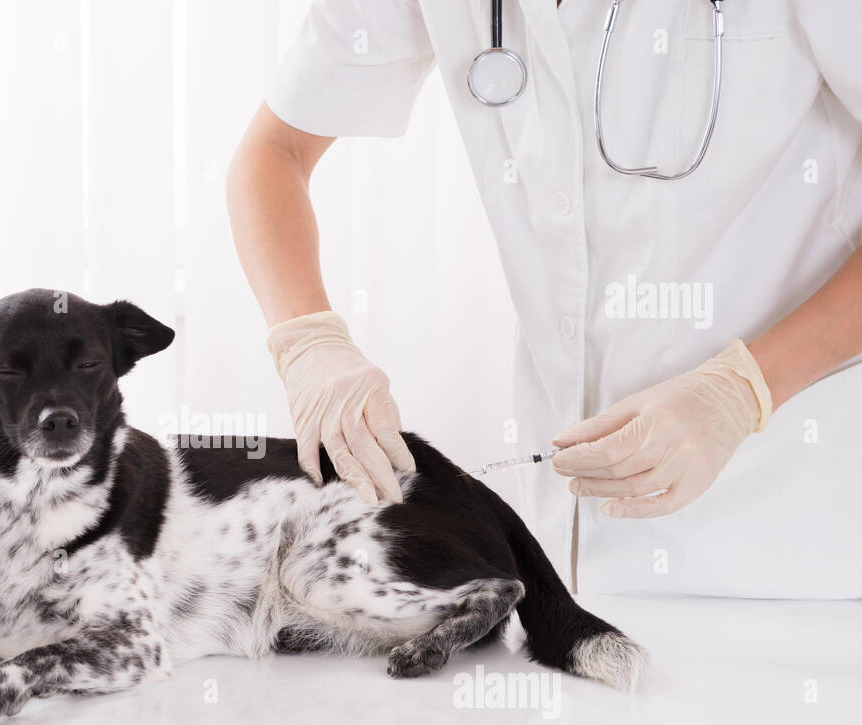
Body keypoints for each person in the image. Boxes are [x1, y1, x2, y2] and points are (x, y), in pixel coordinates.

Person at [226, 0, 862, 597]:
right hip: (564, 556)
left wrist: (743, 388)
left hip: (794, 548)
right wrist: (308, 342)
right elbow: (275, 150)